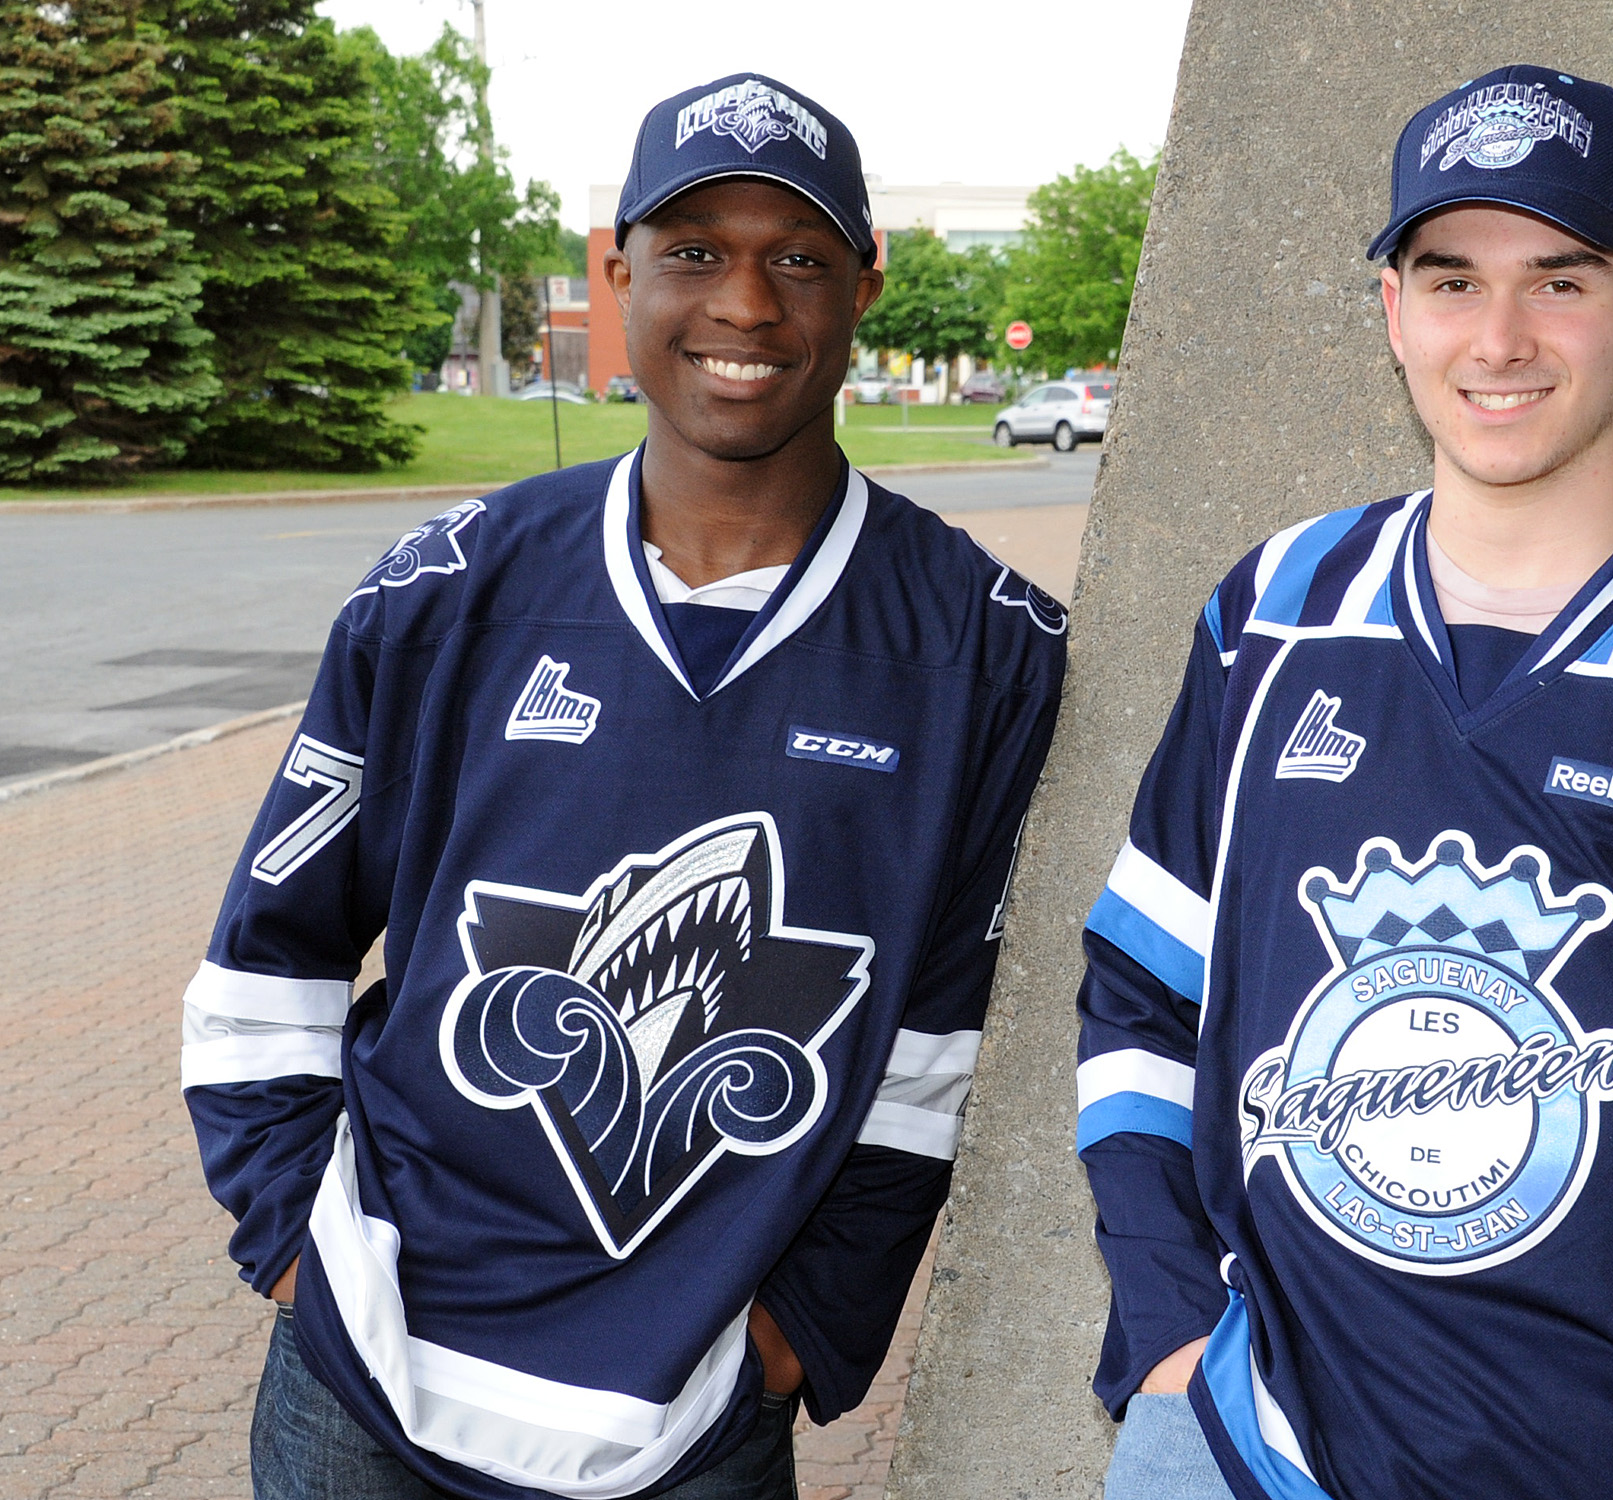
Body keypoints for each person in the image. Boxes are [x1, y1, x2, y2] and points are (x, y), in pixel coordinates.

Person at [183, 72, 1066, 1500]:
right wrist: (296, 1244)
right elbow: (265, 957)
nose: (746, 305)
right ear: (620, 274)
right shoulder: (449, 590)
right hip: (367, 1388)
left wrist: (799, 1330)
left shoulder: (989, 653)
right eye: (696, 253)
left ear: (864, 288)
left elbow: (938, 1048)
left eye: (797, 258)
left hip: (693, 1418)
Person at [1075, 64, 1613, 1500]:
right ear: (1395, 313)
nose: (1503, 339)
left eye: (1563, 280)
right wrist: (1168, 1322)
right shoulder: (1278, 610)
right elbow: (1139, 981)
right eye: (1452, 280)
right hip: (1240, 1448)